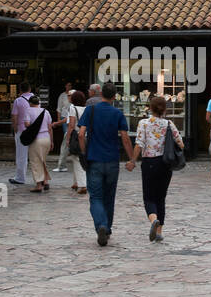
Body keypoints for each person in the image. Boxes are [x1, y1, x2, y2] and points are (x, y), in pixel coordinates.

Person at [78, 82, 136, 246]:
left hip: (94, 158)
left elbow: (81, 134)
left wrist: (83, 152)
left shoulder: (91, 110)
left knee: (95, 197)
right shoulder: (117, 113)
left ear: (101, 94)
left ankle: (101, 225)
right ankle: (107, 228)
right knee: (109, 197)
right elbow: (125, 138)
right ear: (114, 96)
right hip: (112, 160)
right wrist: (131, 159)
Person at [127, 94, 184, 242]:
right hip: (165, 163)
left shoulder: (144, 123)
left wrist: (133, 160)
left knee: (149, 197)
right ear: (164, 109)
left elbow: (139, 143)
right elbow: (181, 143)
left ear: (150, 108)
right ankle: (159, 231)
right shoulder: (169, 124)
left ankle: (153, 220)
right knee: (161, 197)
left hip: (149, 163)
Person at [24, 95, 53, 193]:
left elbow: (27, 124)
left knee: (35, 161)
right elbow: (50, 127)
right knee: (43, 160)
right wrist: (52, 141)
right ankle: (45, 181)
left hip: (36, 139)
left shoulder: (28, 110)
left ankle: (39, 184)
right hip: (46, 138)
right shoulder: (46, 111)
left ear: (30, 103)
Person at [9, 83, 35, 185]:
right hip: (33, 130)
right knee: (36, 155)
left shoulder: (18, 101)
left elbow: (14, 116)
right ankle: (40, 178)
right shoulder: (36, 99)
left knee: (21, 155)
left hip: (21, 129)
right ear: (30, 88)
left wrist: (15, 127)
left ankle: (20, 177)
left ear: (20, 90)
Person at [62, 89, 87, 194]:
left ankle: (82, 184)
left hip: (76, 135)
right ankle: (76, 182)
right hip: (86, 135)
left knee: (77, 159)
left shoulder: (73, 108)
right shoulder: (86, 109)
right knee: (78, 158)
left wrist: (67, 138)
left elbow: (71, 125)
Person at [53, 83, 74, 172]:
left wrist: (57, 123)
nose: (68, 97)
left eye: (69, 96)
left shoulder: (72, 107)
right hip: (70, 124)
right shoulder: (62, 96)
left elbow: (69, 119)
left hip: (71, 127)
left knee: (65, 145)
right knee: (66, 145)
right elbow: (60, 109)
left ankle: (62, 166)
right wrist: (58, 121)